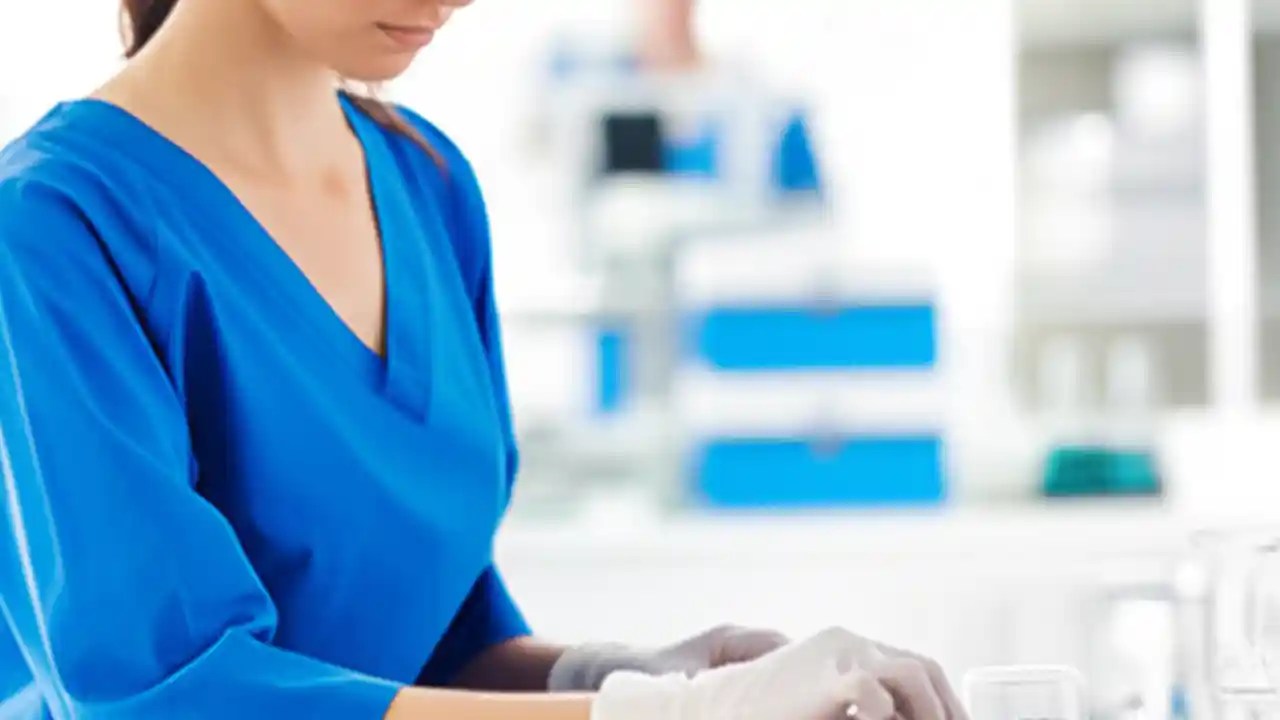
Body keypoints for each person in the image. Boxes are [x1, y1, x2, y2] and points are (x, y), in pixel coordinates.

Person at [0, 1, 965, 718]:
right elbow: (163, 695)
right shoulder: (56, 227)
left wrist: (633, 673)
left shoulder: (426, 183)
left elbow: (436, 642)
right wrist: (664, 717)